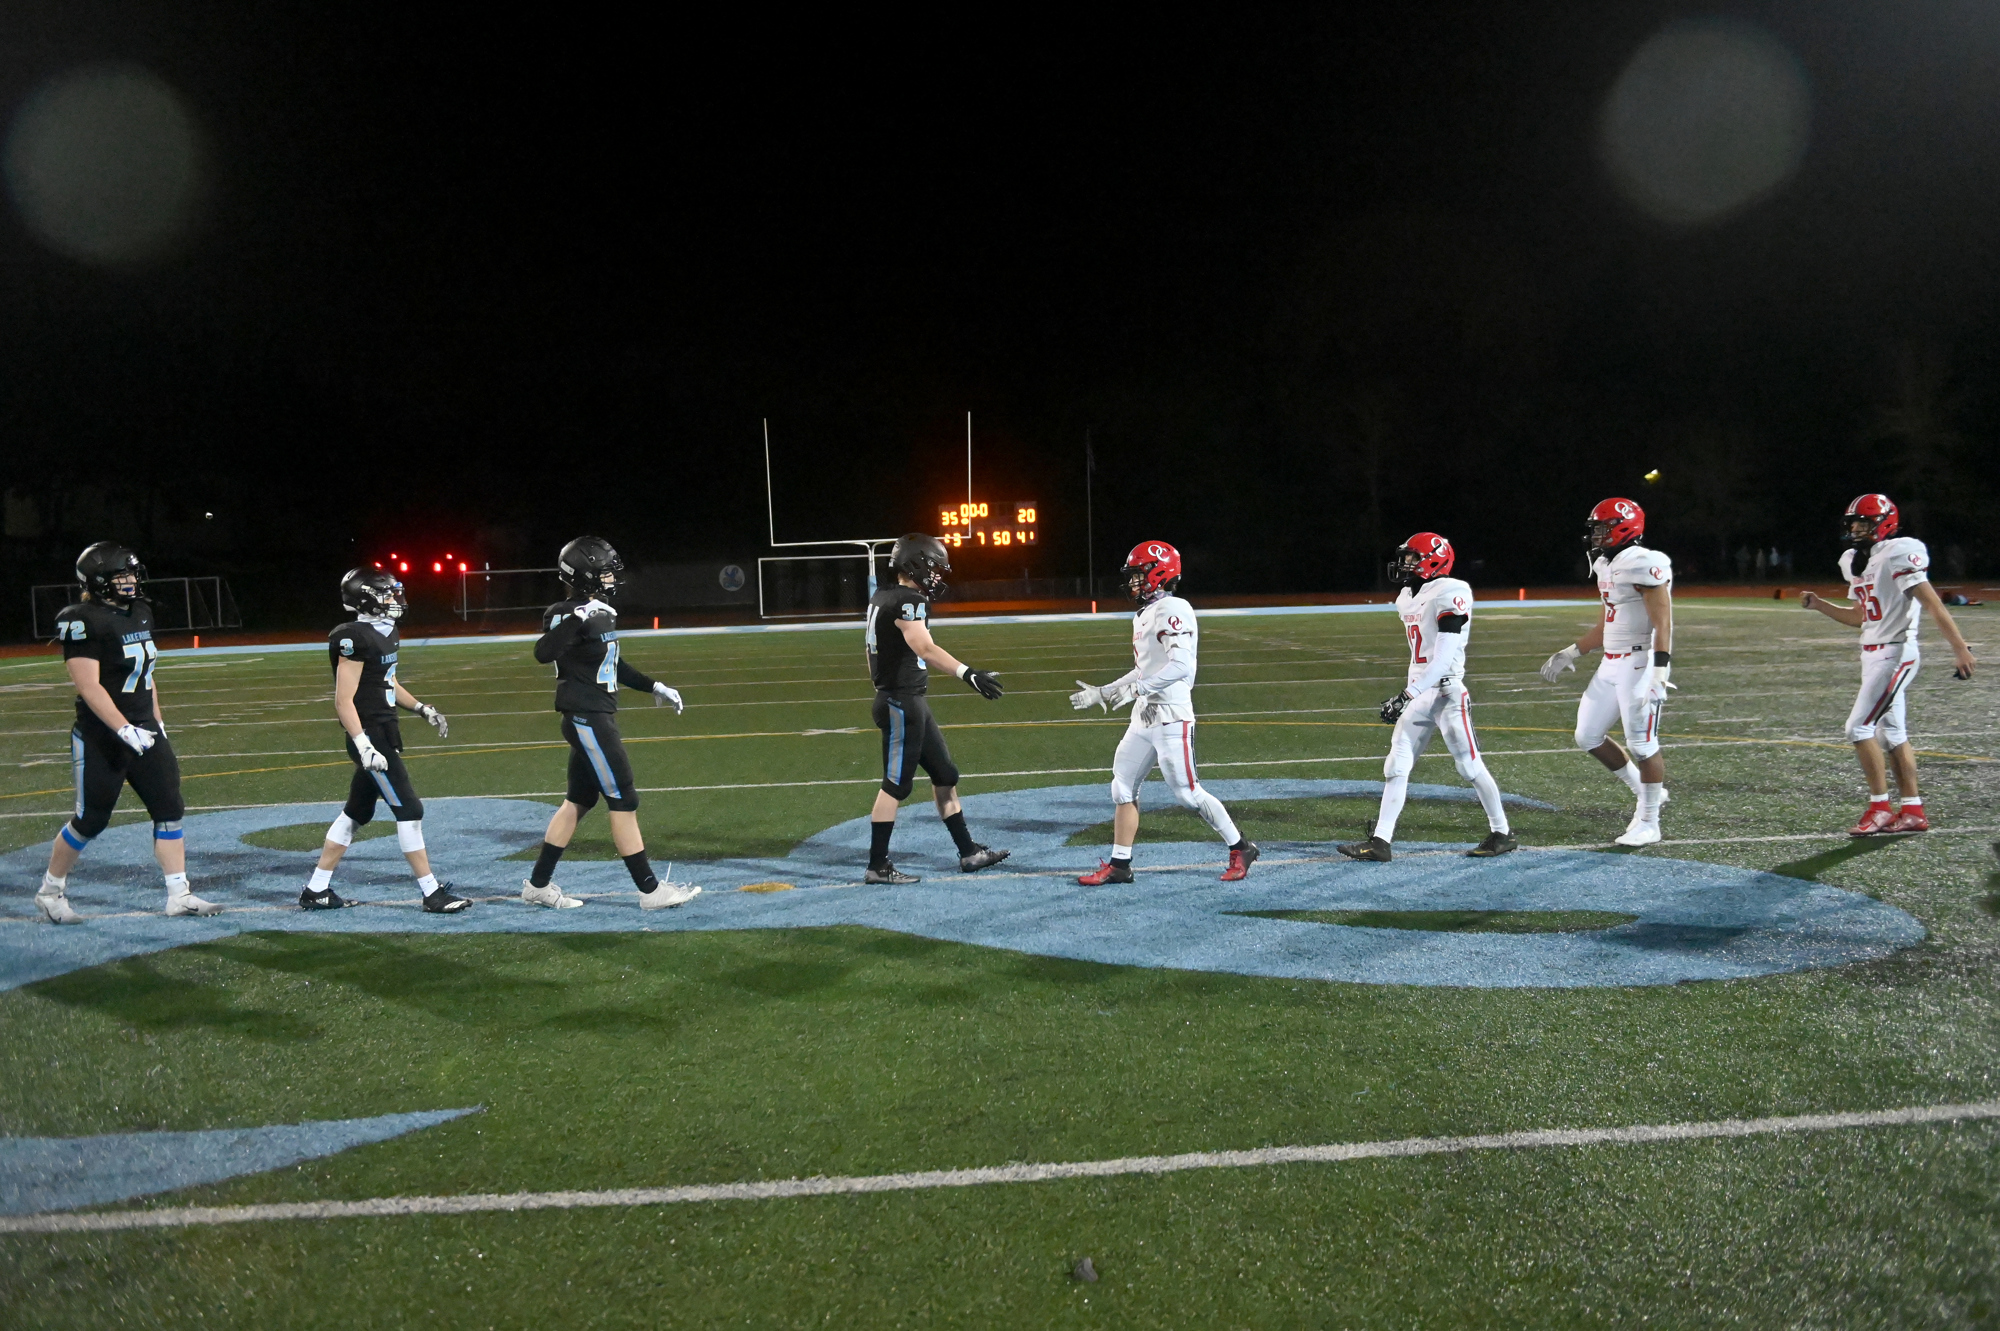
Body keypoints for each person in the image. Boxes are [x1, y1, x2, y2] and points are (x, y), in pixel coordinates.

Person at [34, 542, 219, 923]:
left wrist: (157, 722)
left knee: (169, 808)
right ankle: (50, 892)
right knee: (91, 820)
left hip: (146, 729)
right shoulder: (81, 618)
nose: (131, 582)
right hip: (103, 735)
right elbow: (89, 686)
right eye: (121, 576)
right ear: (99, 582)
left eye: (132, 574)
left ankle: (179, 894)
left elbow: (147, 678)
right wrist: (123, 728)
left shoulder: (141, 611)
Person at [520, 536, 700, 909]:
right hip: (586, 717)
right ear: (583, 576)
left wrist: (654, 685)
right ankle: (650, 891)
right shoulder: (564, 612)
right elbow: (543, 652)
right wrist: (576, 617)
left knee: (578, 801)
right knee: (623, 799)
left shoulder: (602, 611)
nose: (609, 580)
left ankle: (537, 885)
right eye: (602, 574)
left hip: (595, 714)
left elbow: (612, 664)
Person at [1071, 540, 1258, 883]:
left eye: (1139, 575)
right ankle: (1119, 865)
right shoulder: (1145, 613)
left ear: (1159, 574)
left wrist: (1137, 689)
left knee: (1187, 793)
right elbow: (1144, 670)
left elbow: (1181, 667)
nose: (1132, 583)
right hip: (1144, 716)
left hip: (1171, 715)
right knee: (1123, 786)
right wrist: (1106, 691)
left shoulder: (1173, 608)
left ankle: (1240, 846)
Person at [1801, 493, 1975, 835]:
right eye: (1852, 523)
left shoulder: (1899, 552)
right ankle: (1912, 810)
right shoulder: (1853, 559)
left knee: (1858, 727)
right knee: (1892, 733)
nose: (1855, 529)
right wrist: (1820, 605)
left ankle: (1879, 807)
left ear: (1884, 523)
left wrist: (1960, 648)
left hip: (1896, 651)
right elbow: (1859, 618)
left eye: (1863, 523)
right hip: (1872, 652)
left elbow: (1933, 604)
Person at [1337, 534, 1515, 862]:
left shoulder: (1452, 590)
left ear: (1434, 560)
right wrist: (1412, 692)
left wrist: (1407, 694)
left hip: (1446, 691)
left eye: (1411, 558)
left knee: (1469, 767)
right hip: (1419, 692)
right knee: (1396, 765)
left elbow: (1444, 657)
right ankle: (1380, 841)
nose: (1404, 564)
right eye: (1404, 558)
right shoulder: (1408, 595)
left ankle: (1501, 831)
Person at [300, 568, 469, 913]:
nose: (394, 600)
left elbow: (387, 682)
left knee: (356, 812)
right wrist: (363, 745)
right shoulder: (353, 637)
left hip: (383, 732)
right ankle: (431, 893)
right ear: (366, 599)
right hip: (370, 737)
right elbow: (343, 701)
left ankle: (316, 889)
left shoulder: (387, 631)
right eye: (386, 594)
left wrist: (421, 708)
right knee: (409, 808)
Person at [861, 534, 1010, 884]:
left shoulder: (883, 595)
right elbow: (924, 647)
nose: (938, 577)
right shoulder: (910, 600)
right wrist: (968, 673)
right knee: (895, 786)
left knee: (945, 775)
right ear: (916, 565)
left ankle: (969, 852)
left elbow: (872, 655)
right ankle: (877, 865)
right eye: (934, 568)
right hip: (902, 703)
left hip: (906, 700)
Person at [1539, 498, 1675, 847]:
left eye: (1603, 527)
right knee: (1587, 735)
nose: (1596, 535)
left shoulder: (1645, 563)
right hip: (1610, 663)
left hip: (1640, 662)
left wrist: (1660, 671)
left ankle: (1649, 822)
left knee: (1643, 744)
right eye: (1596, 528)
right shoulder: (1605, 565)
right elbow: (1607, 622)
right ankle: (1646, 793)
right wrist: (1573, 650)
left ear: (1625, 526)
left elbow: (1662, 622)